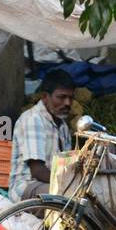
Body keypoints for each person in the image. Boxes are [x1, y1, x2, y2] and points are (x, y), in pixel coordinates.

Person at [9, 70, 74, 200]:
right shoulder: (33, 119)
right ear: (45, 96)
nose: (67, 103)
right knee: (67, 199)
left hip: (49, 186)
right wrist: (68, 186)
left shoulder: (63, 126)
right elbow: (37, 170)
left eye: (71, 98)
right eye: (61, 97)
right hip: (27, 188)